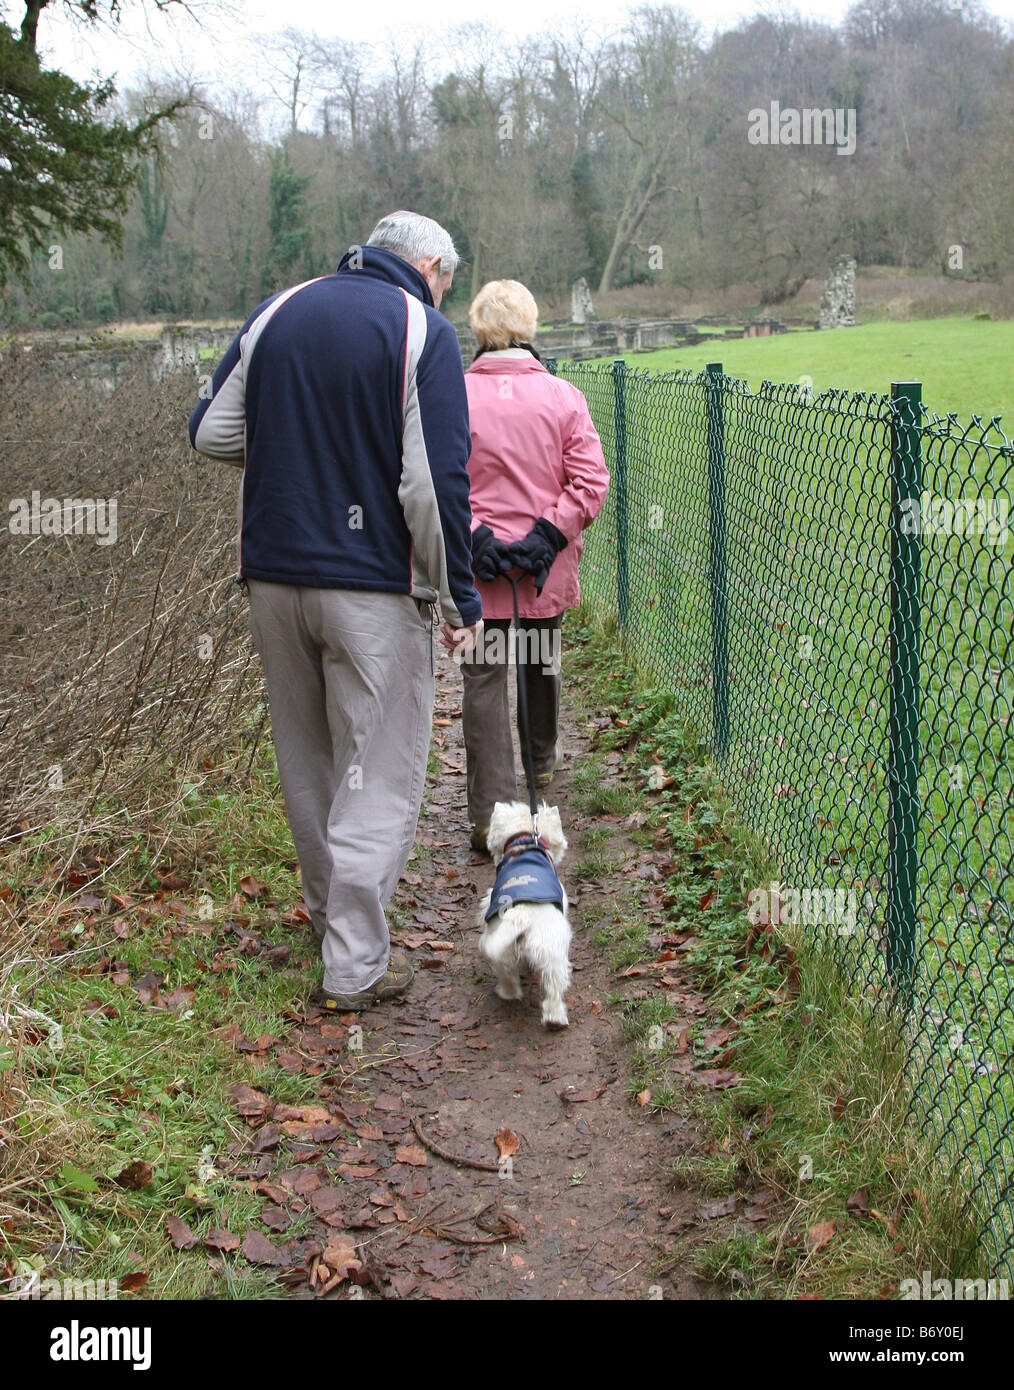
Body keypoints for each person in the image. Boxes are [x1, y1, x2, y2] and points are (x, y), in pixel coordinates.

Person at [188, 211, 482, 1010]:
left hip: (275, 576)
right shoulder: (422, 329)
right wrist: (457, 594)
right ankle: (355, 967)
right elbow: (431, 486)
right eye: (446, 282)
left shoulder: (279, 309)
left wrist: (297, 450)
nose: (445, 296)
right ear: (427, 266)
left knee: (309, 759)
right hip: (372, 585)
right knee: (378, 768)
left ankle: (330, 925)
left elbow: (211, 433)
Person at [461, 279, 610, 852]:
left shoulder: (452, 395)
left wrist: (476, 537)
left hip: (480, 571)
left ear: (478, 330)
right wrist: (546, 535)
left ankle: (491, 815)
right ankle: (541, 772)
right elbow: (589, 481)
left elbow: (438, 481)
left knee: (483, 681)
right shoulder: (563, 396)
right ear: (530, 328)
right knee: (539, 663)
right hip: (541, 572)